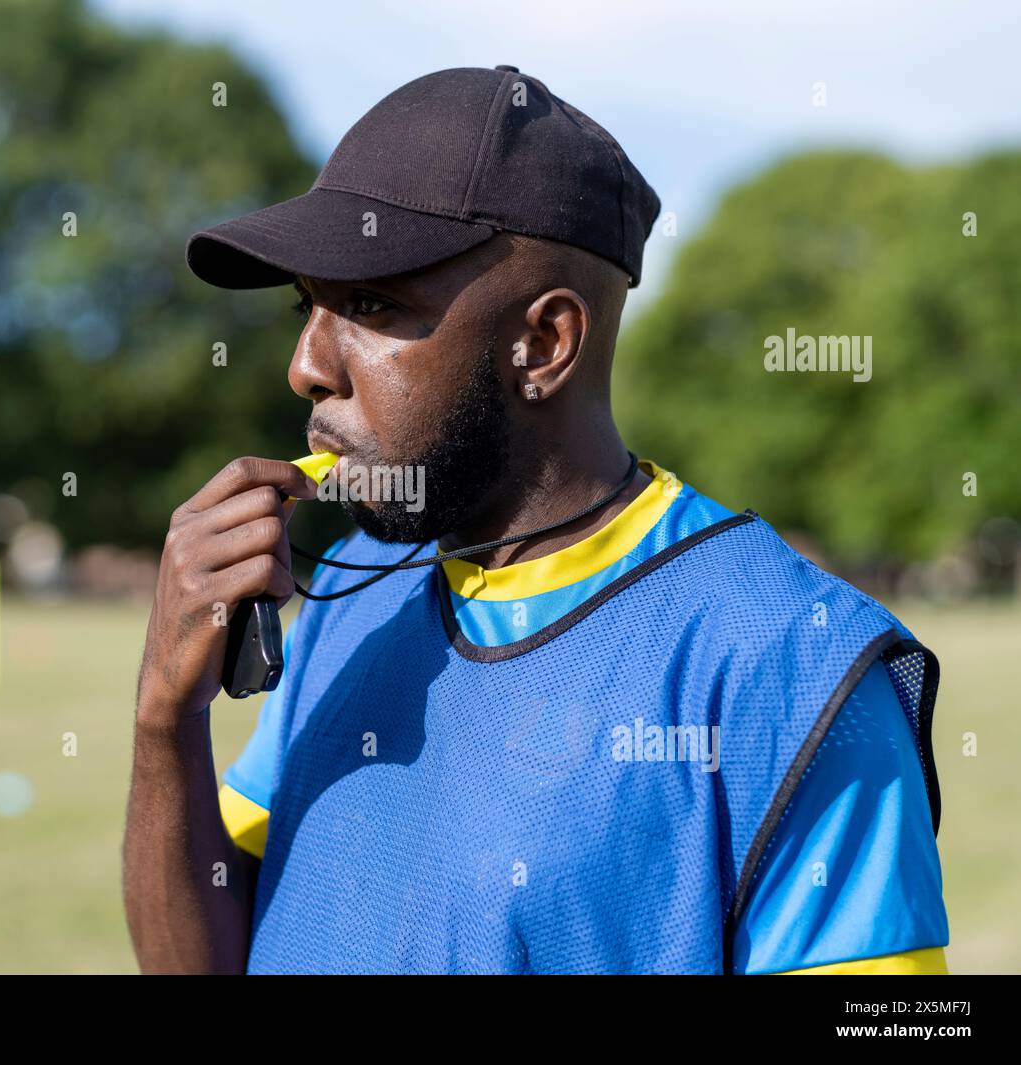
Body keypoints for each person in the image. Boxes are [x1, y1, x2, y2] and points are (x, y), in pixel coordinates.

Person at [122, 65, 948, 974]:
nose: (307, 365)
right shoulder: (352, 595)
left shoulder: (792, 665)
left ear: (545, 343)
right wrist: (167, 718)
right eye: (305, 307)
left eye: (369, 304)